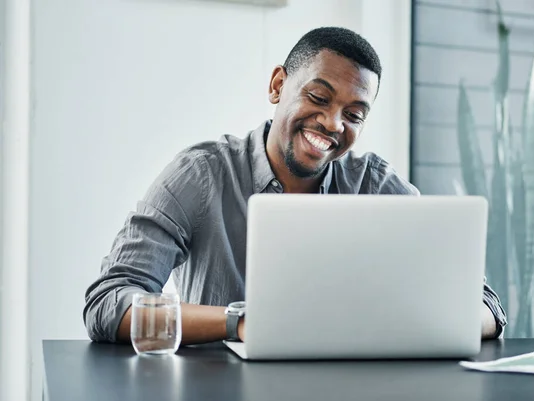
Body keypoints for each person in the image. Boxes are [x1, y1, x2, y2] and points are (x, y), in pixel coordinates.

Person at [83, 27, 507, 345]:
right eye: (319, 98)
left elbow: (487, 306)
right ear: (277, 86)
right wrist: (243, 323)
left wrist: (404, 325)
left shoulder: (375, 184)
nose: (333, 124)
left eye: (354, 115)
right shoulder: (201, 175)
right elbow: (108, 303)